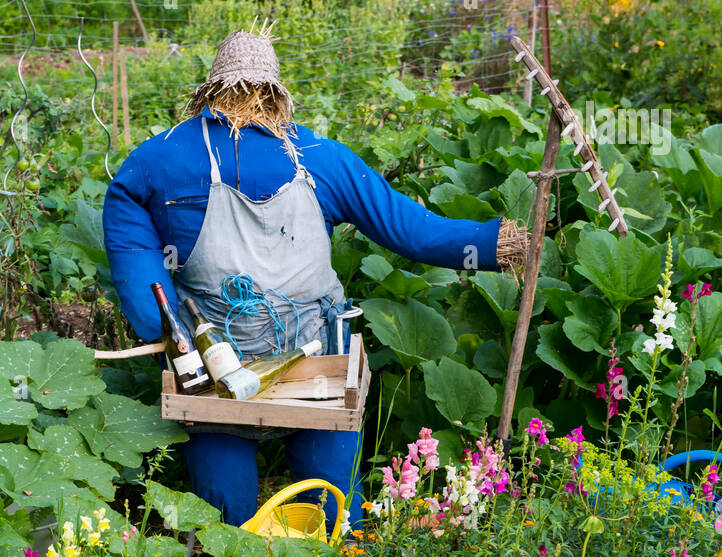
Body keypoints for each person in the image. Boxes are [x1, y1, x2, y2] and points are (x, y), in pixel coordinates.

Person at [103, 22, 525, 530]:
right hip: (318, 363)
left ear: (209, 91)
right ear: (276, 94)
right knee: (335, 515)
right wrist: (495, 245)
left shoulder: (156, 160)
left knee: (224, 524)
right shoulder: (320, 157)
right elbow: (410, 230)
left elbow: (132, 247)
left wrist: (160, 324)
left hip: (213, 374)